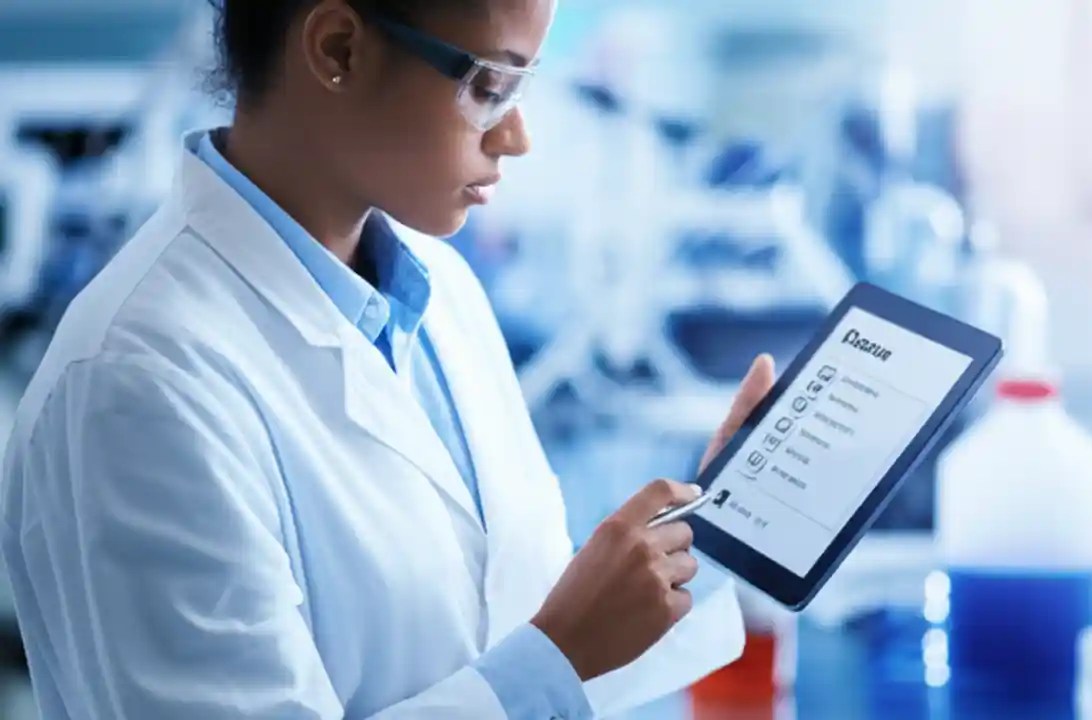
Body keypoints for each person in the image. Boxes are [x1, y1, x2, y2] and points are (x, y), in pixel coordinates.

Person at [0, 0, 777, 717]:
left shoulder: (437, 288)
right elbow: (543, 659)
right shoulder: (137, 383)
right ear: (338, 48)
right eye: (490, 85)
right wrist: (555, 659)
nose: (517, 136)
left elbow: (510, 627)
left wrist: (708, 524)